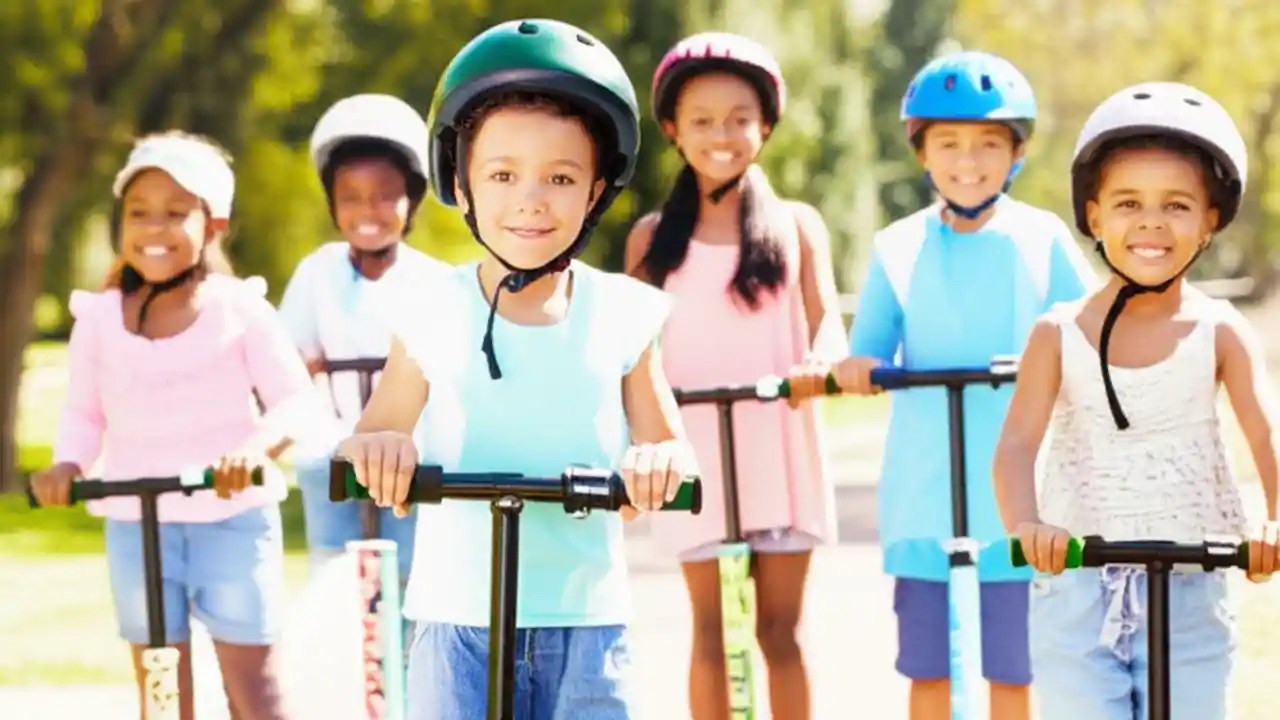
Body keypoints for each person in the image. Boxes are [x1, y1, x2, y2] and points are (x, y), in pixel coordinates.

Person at [333, 19, 695, 720]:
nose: (531, 198)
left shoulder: (624, 314)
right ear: (461, 186)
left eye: (561, 177)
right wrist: (379, 449)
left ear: (596, 192)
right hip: (457, 623)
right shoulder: (430, 309)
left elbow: (669, 449)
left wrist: (657, 464)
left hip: (586, 624)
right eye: (503, 174)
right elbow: (371, 436)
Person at [822, 51, 1096, 720]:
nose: (968, 161)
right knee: (930, 669)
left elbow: (1087, 333)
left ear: (1017, 152)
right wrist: (859, 368)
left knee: (1013, 670)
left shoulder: (1041, 239)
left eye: (988, 144)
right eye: (948, 143)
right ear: (922, 152)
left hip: (1019, 499)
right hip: (924, 494)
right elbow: (868, 347)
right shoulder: (897, 246)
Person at [994, 81, 1280, 720]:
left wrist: (1274, 520)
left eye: (1177, 205)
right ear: (1095, 217)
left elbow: (1268, 436)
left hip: (1192, 584)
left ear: (1210, 221)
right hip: (1076, 585)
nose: (1151, 222)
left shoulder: (1220, 330)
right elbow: (1016, 444)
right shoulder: (1058, 332)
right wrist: (1027, 524)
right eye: (1128, 203)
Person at [28, 131, 314, 720]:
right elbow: (84, 412)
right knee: (161, 695)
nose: (153, 228)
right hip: (138, 525)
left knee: (253, 692)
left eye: (175, 213)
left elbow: (294, 401)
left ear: (213, 225)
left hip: (230, 521)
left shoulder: (239, 309)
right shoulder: (99, 319)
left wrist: (254, 451)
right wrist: (68, 465)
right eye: (139, 213)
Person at [623, 31, 845, 720]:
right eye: (702, 121)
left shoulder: (795, 226)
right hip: (695, 454)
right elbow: (629, 352)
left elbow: (827, 322)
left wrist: (820, 364)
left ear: (765, 126)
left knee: (780, 632)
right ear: (673, 130)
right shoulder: (652, 239)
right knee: (712, 633)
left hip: (778, 450)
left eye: (738, 119)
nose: (722, 136)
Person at [278, 93, 450, 580]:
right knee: (336, 574)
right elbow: (286, 357)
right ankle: (342, 623)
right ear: (332, 203)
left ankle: (408, 627)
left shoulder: (435, 282)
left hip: (410, 453)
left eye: (384, 195)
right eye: (350, 197)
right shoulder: (317, 272)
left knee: (412, 572)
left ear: (413, 199)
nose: (367, 210)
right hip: (331, 449)